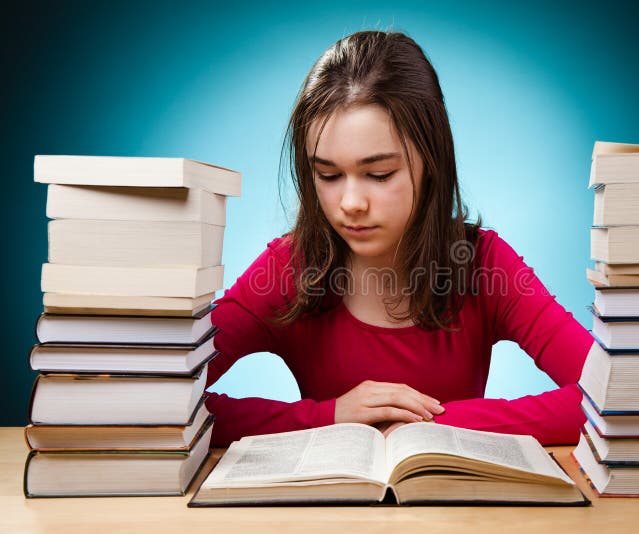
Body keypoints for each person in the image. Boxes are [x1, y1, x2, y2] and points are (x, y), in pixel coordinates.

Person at [204, 30, 594, 447]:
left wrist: (441, 424)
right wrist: (327, 417)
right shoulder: (288, 268)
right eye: (328, 175)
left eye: (379, 174)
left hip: (462, 509)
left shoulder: (482, 264)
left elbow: (610, 398)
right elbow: (163, 400)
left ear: (430, 161)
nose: (351, 202)